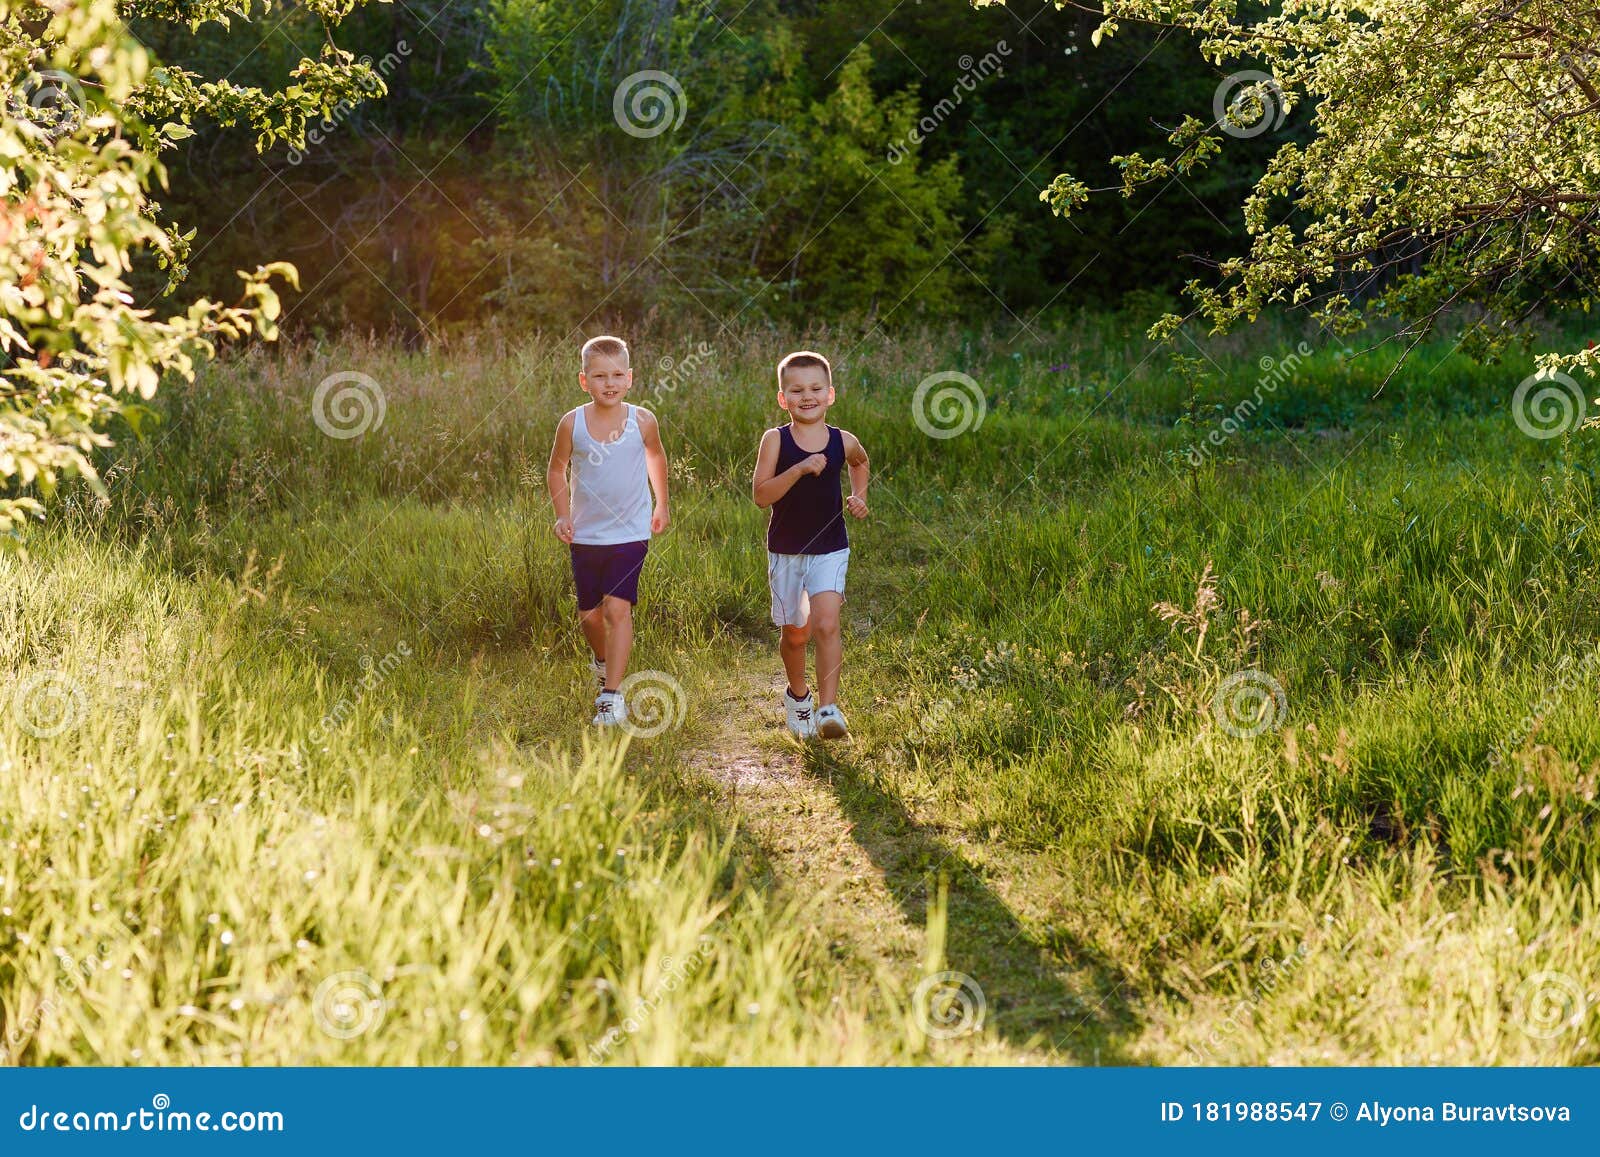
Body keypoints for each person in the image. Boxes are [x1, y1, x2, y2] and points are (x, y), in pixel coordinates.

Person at [546, 335, 670, 727]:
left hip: (631, 533)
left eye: (617, 375)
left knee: (617, 608)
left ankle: (611, 696)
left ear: (630, 377)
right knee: (589, 615)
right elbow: (556, 469)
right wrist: (562, 515)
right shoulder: (572, 422)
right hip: (585, 535)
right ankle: (602, 661)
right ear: (585, 381)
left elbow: (656, 456)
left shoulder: (642, 420)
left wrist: (662, 502)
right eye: (600, 376)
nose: (610, 383)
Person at [751, 350, 869, 740]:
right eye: (797, 390)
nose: (808, 396)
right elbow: (762, 495)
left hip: (831, 547)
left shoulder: (841, 440)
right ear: (783, 398)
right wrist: (799, 468)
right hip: (786, 550)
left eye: (816, 388)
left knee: (826, 623)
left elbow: (860, 461)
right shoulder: (775, 440)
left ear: (830, 394)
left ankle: (828, 708)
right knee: (795, 634)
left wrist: (859, 495)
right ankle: (798, 697)